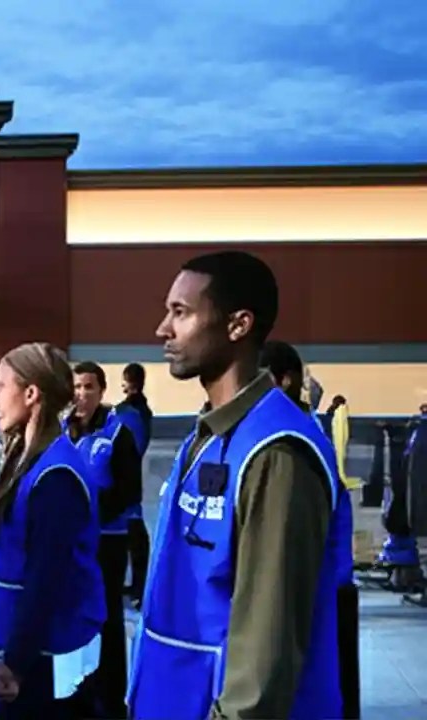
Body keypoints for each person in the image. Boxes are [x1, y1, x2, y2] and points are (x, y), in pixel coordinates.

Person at [131, 251, 348, 719]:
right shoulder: (207, 436)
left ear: (238, 325)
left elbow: (265, 648)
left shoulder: (276, 452)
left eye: (180, 313)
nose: (163, 329)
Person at [0, 342, 104, 719]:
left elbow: (45, 579)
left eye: (1, 386)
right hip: (21, 644)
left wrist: (15, 661)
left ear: (31, 394)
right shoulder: (26, 458)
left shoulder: (56, 476)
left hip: (42, 655)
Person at [259, 339, 360, 719]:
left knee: (322, 687)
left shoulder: (294, 443)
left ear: (282, 381)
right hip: (325, 585)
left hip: (326, 587)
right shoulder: (298, 428)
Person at [63, 361, 141, 718]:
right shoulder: (62, 432)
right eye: (77, 387)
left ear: (102, 391)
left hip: (106, 544)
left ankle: (111, 702)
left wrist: (90, 515)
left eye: (89, 387)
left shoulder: (118, 434)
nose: (81, 394)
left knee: (105, 622)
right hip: (68, 545)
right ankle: (75, 692)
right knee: (70, 618)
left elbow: (129, 491)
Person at [116, 362, 152, 607]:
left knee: (131, 536)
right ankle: (136, 585)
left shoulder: (126, 412)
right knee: (134, 535)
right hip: (132, 478)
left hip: (122, 480)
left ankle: (138, 587)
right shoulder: (144, 409)